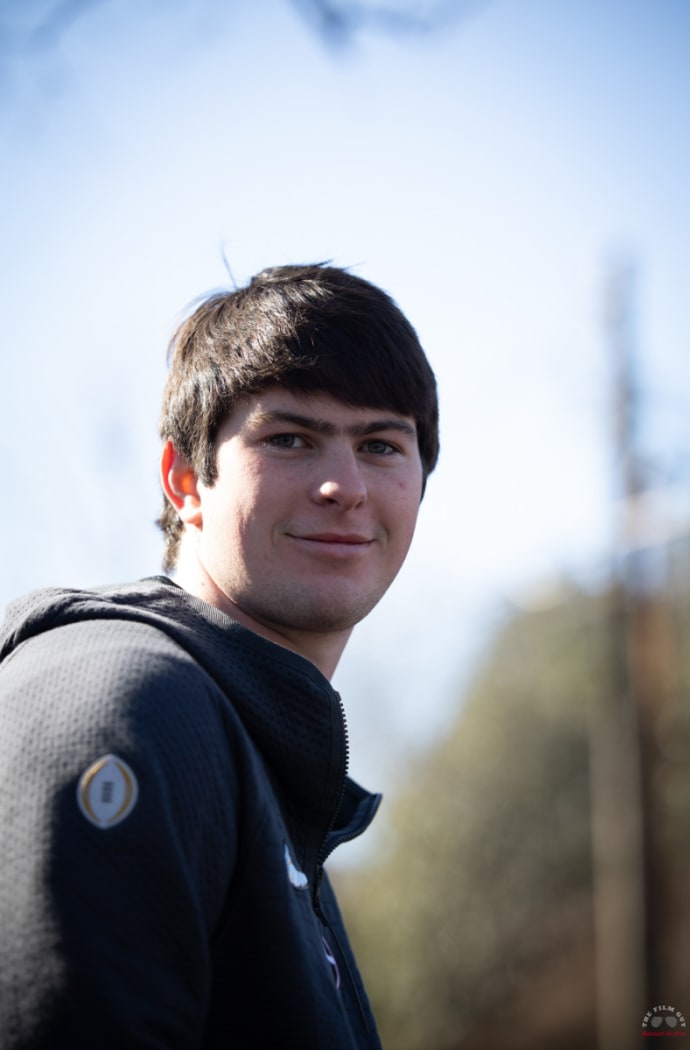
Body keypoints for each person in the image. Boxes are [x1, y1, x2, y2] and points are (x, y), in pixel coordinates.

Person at [0, 263, 439, 1049]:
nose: (344, 485)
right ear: (183, 480)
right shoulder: (129, 704)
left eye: (380, 445)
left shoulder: (252, 748)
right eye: (290, 439)